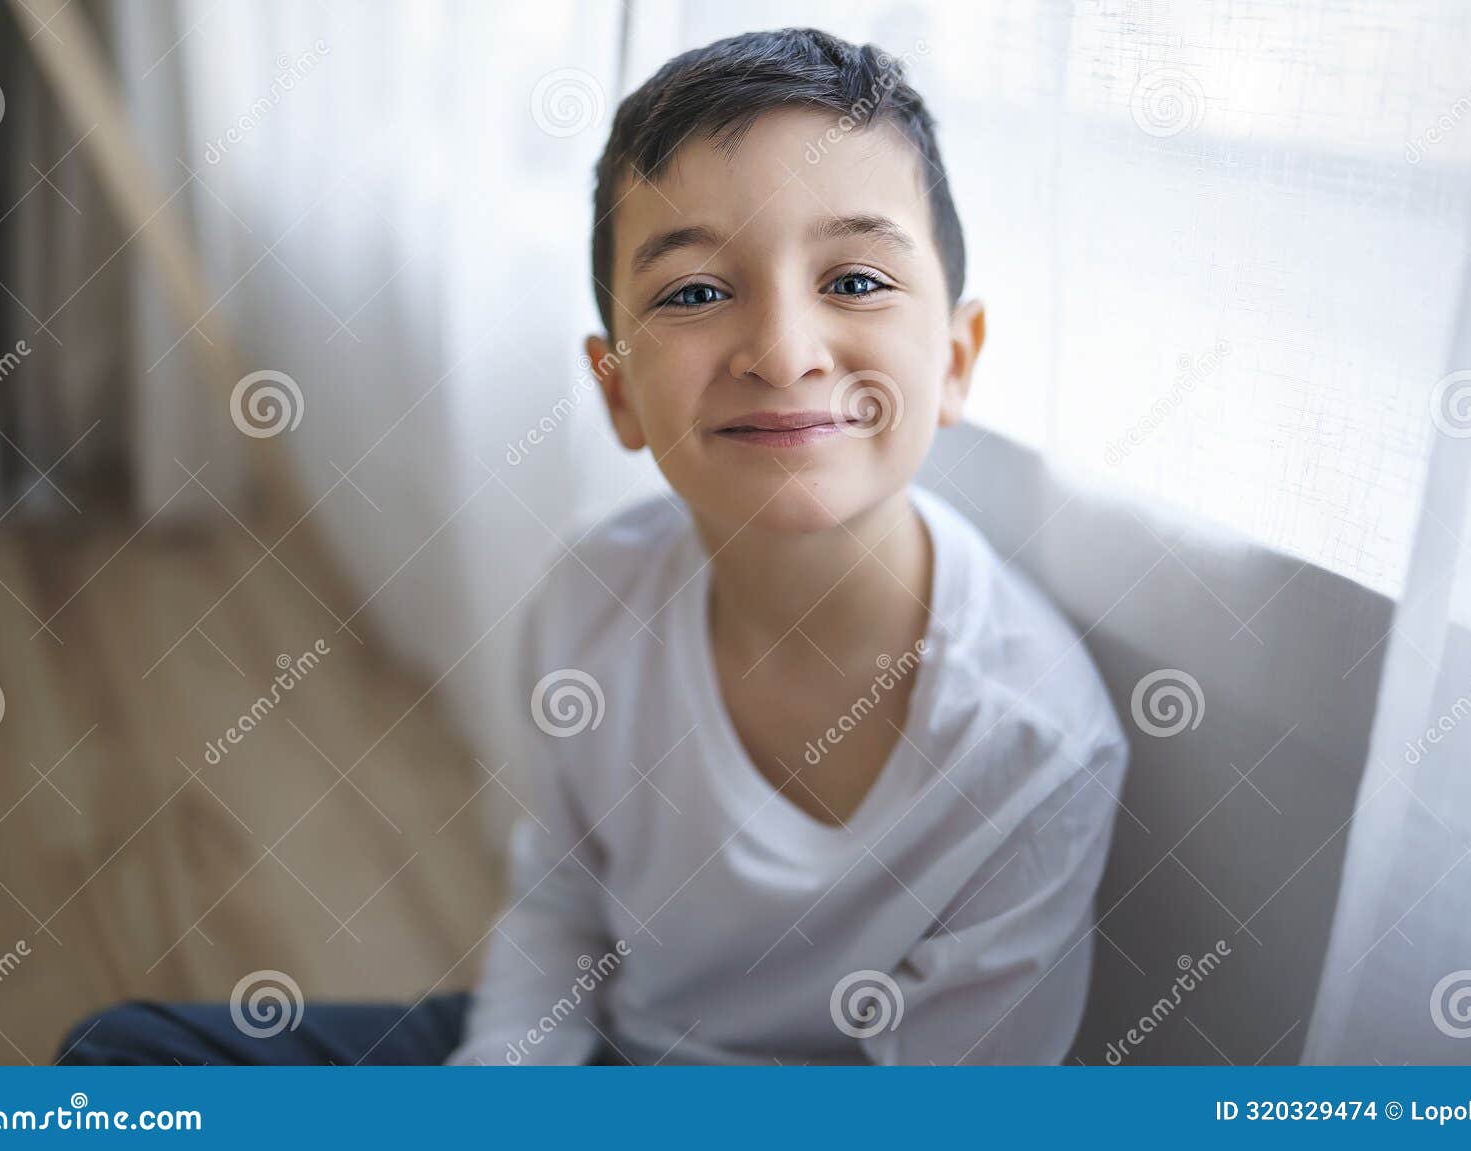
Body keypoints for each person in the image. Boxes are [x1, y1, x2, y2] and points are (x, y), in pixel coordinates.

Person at [58, 25, 1128, 1067]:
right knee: (120, 1060)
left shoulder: (1033, 743)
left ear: (953, 358)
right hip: (602, 1055)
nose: (784, 351)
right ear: (616, 388)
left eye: (852, 280)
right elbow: (562, 901)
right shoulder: (594, 596)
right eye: (696, 293)